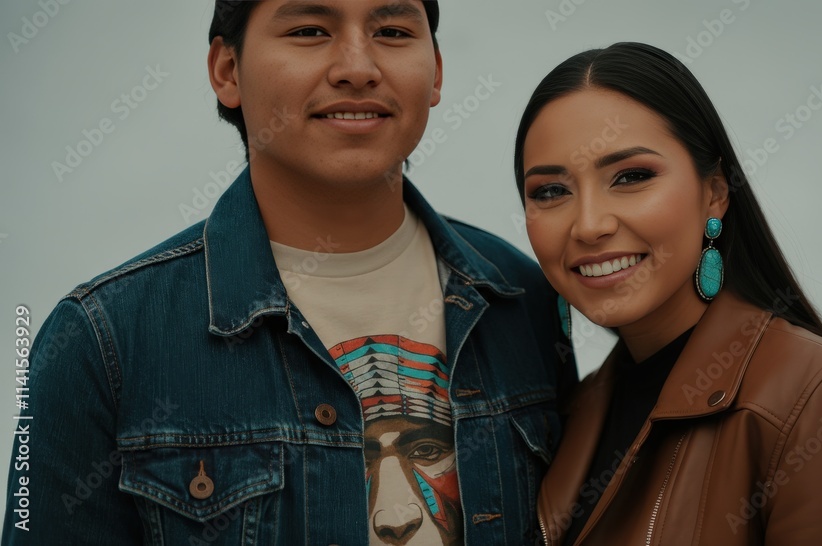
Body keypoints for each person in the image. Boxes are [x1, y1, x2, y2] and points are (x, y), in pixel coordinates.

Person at [2, 1, 576, 544]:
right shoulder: (102, 341)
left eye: (393, 32)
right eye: (309, 31)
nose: (358, 67)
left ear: (436, 72)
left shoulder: (523, 297)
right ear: (227, 69)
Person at [514, 42, 822, 545]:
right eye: (551, 191)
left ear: (716, 192)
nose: (590, 225)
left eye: (632, 176)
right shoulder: (569, 412)